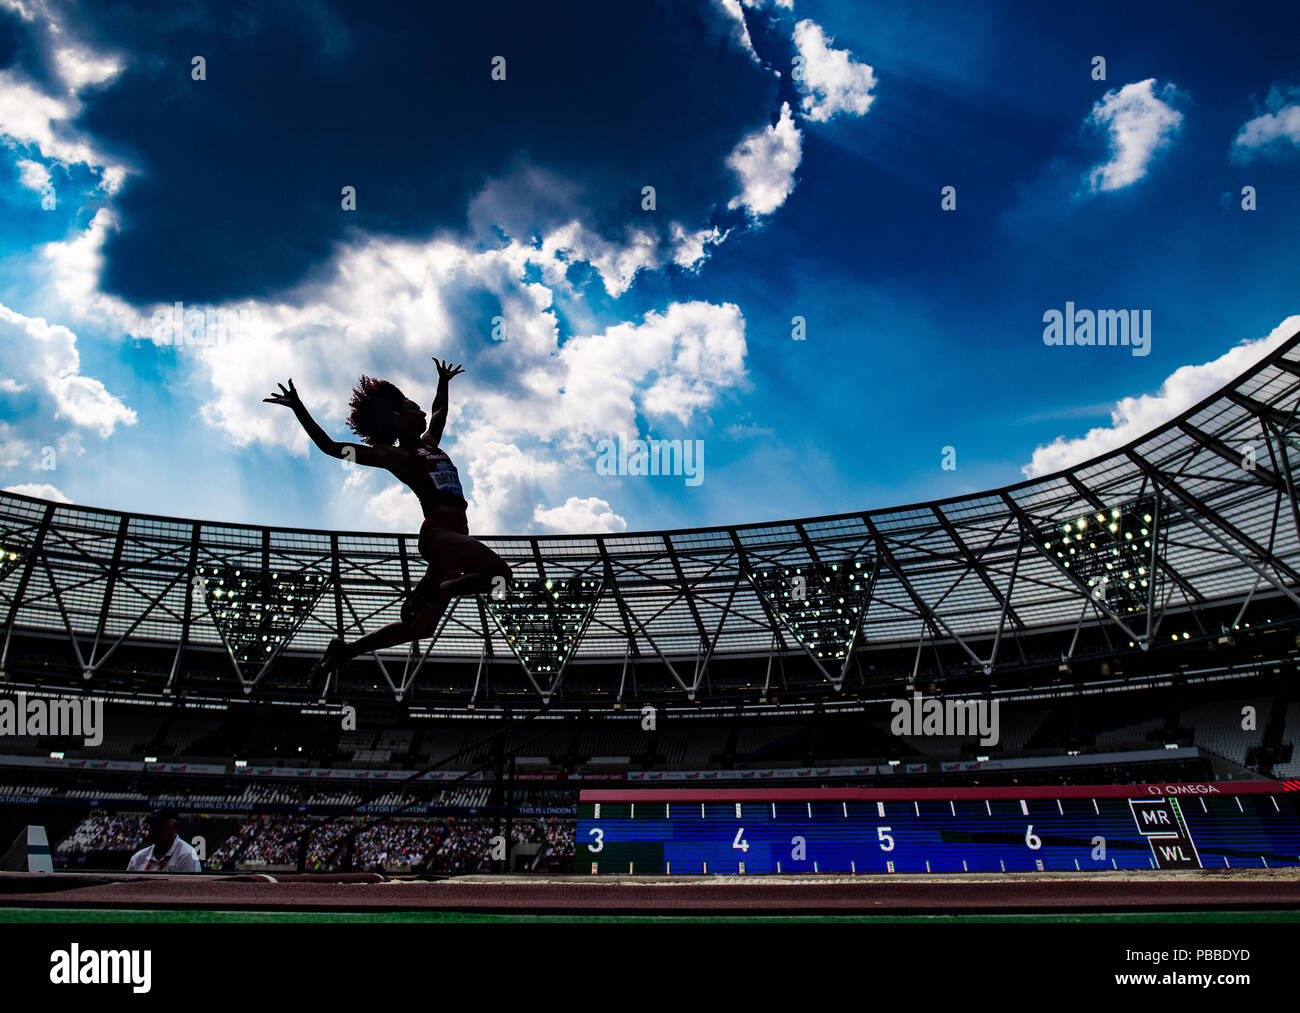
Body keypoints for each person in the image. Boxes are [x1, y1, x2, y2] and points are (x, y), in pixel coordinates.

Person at [264, 358, 512, 675]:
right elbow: (331, 447)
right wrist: (298, 408)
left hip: (455, 540)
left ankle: (344, 651)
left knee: (419, 628)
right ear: (396, 418)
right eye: (413, 409)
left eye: (421, 409)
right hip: (439, 535)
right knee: (500, 576)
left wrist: (443, 382)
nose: (422, 413)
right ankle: (433, 590)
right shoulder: (394, 456)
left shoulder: (429, 443)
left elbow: (439, 414)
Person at [127, 808, 202, 873]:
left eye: (159, 825)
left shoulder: (186, 855)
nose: (153, 830)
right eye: (151, 825)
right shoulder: (138, 858)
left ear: (174, 826)